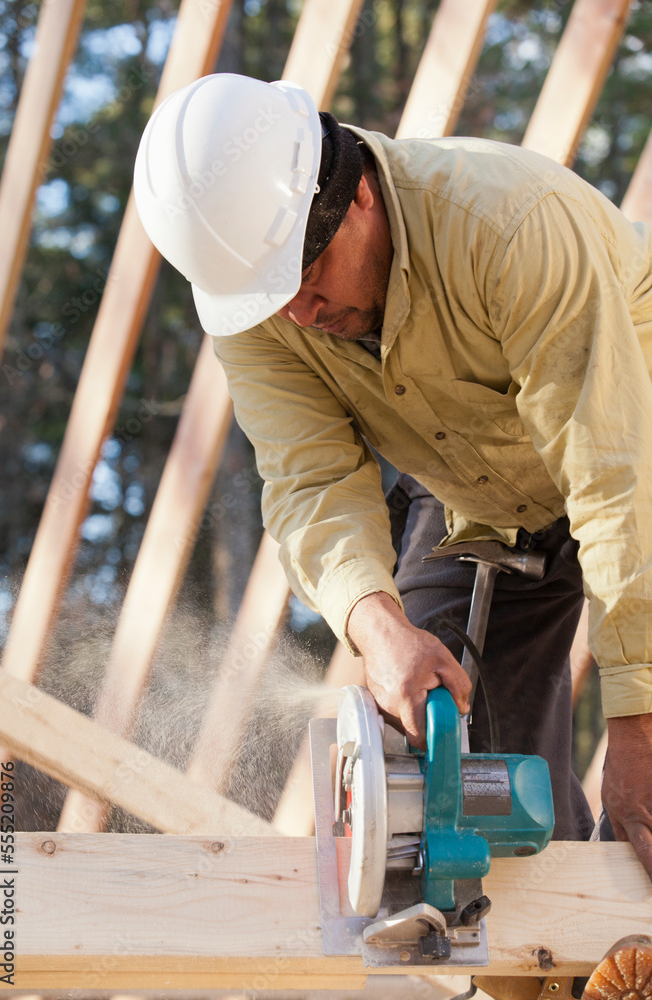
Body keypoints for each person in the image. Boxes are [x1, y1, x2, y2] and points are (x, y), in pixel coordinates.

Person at [134, 74, 652, 882]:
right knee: (445, 782)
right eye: (268, 297)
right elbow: (309, 482)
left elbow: (614, 476)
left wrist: (637, 727)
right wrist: (378, 630)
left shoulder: (507, 226)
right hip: (475, 499)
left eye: (307, 273)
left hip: (632, 446)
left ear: (359, 194)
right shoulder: (261, 310)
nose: (298, 313)